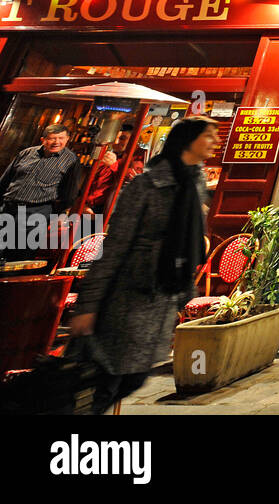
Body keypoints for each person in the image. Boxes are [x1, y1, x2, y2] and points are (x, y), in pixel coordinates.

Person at [67, 116, 220, 413]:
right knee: (108, 377)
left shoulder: (194, 182)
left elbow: (188, 240)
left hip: (163, 294)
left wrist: (184, 290)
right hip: (130, 293)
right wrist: (88, 306)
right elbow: (115, 246)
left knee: (133, 376)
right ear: (189, 140)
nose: (215, 141)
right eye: (209, 135)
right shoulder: (147, 185)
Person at [0, 123, 83, 259]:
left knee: (18, 255)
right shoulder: (27, 153)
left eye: (61, 138)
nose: (57, 142)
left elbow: (69, 193)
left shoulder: (71, 160)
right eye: (52, 138)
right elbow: (5, 180)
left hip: (36, 212)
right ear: (43, 140)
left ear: (67, 139)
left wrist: (56, 213)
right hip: (8, 207)